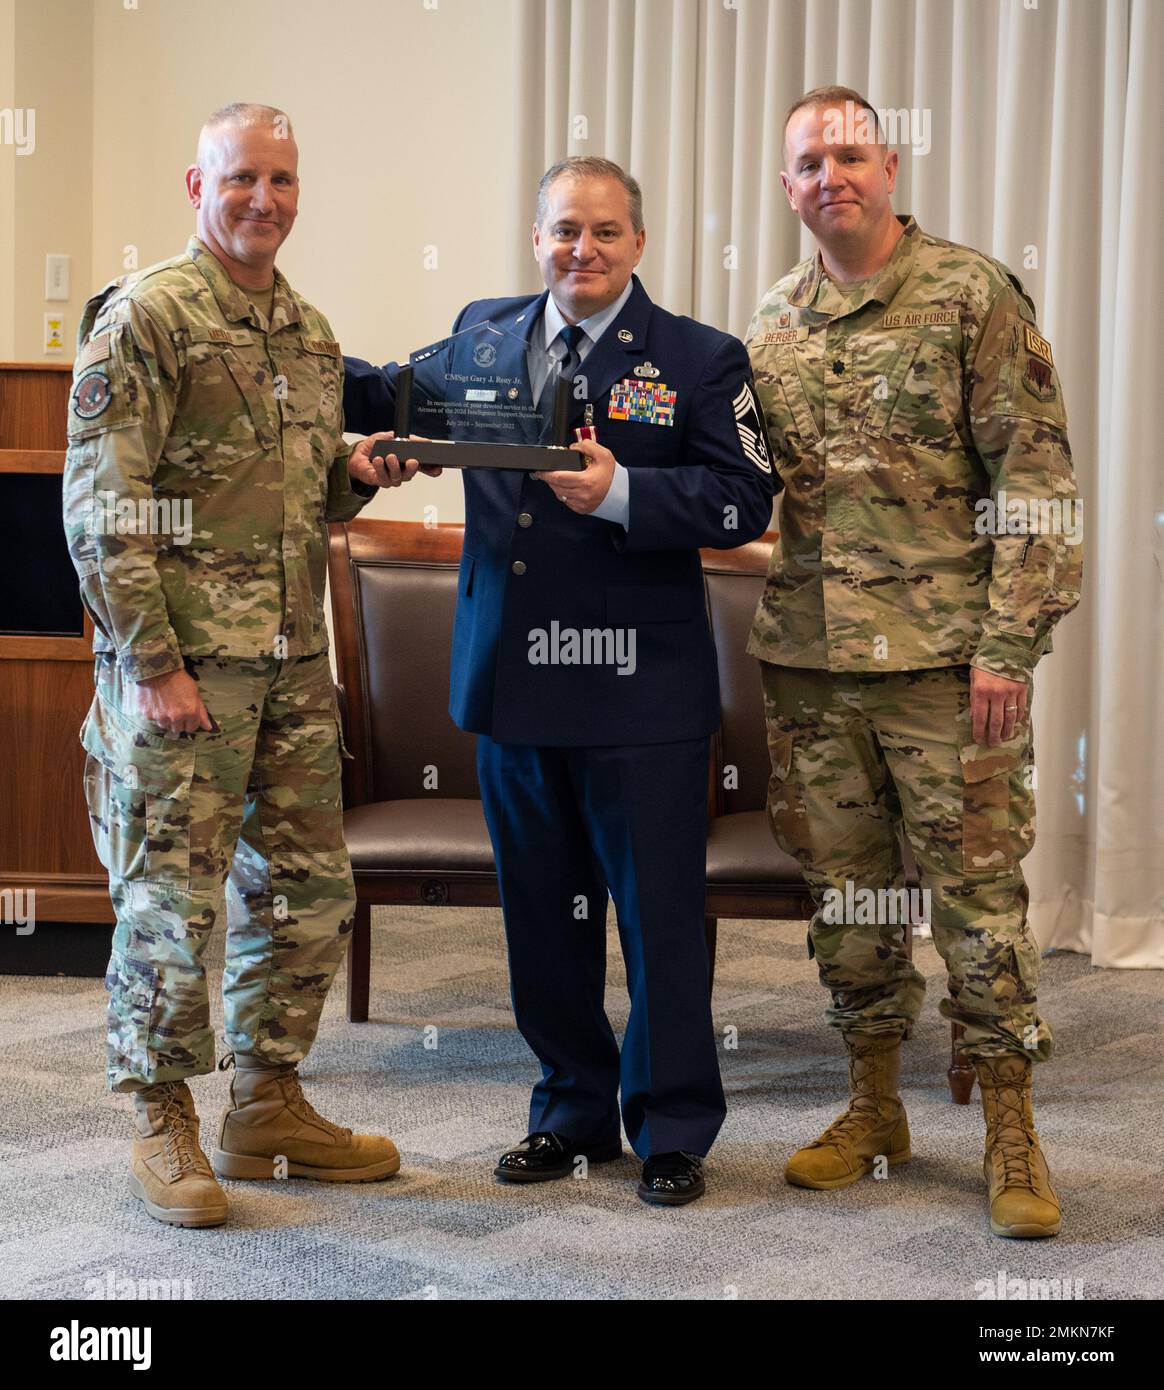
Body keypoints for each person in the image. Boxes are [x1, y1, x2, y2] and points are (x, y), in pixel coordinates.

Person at [344, 156, 776, 1205]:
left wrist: (624, 491)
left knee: (660, 917)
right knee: (544, 915)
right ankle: (569, 1110)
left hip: (640, 693)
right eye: (563, 231)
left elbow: (745, 498)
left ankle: (671, 1125)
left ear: (638, 242)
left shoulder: (697, 358)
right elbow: (382, 393)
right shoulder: (484, 334)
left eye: (605, 232)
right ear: (536, 236)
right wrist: (351, 420)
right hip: (514, 689)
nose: (582, 249)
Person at [63, 103, 426, 1228]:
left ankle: (267, 1096)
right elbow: (101, 509)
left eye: (279, 179)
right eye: (239, 180)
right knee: (172, 903)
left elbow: (299, 488)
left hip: (290, 672)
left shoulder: (308, 333)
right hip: (182, 676)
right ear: (195, 185)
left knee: (307, 890)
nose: (261, 199)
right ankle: (161, 1112)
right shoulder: (149, 319)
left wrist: (357, 468)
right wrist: (152, 664)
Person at [747, 87, 1082, 1237]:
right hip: (811, 667)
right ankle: (872, 1105)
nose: (828, 175)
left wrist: (1009, 647)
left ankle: (1011, 1125)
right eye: (806, 162)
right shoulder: (771, 322)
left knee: (979, 903)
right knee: (849, 898)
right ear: (785, 185)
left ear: (888, 166)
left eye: (848, 153)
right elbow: (746, 485)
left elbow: (1034, 484)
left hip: (949, 668)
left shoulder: (969, 294)